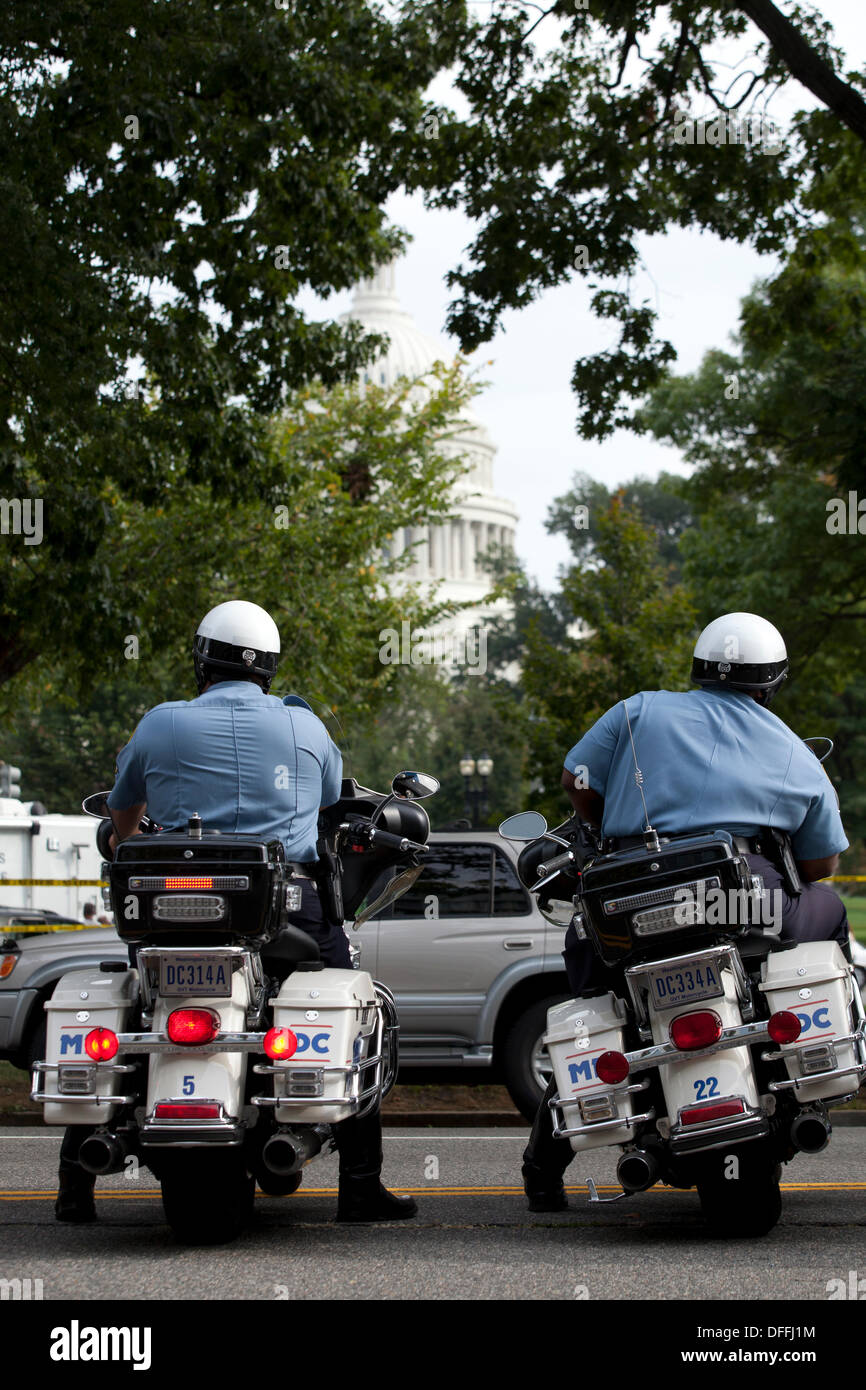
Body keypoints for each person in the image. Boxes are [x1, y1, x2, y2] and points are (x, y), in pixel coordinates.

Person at [56, 599, 416, 1226]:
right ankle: (359, 1186)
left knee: (136, 1013)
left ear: (201, 661)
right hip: (289, 911)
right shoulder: (307, 729)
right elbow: (332, 801)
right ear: (270, 669)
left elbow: (122, 817)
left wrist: (128, 839)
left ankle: (72, 1188)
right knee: (354, 1013)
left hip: (168, 915)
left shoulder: (160, 724)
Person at [522, 611, 851, 1211]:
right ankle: (821, 1066)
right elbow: (823, 866)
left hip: (627, 906)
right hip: (744, 901)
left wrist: (602, 828)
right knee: (827, 912)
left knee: (597, 1011)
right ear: (771, 681)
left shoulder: (637, 711)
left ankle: (544, 1170)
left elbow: (576, 778)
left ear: (698, 669)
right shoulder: (792, 750)